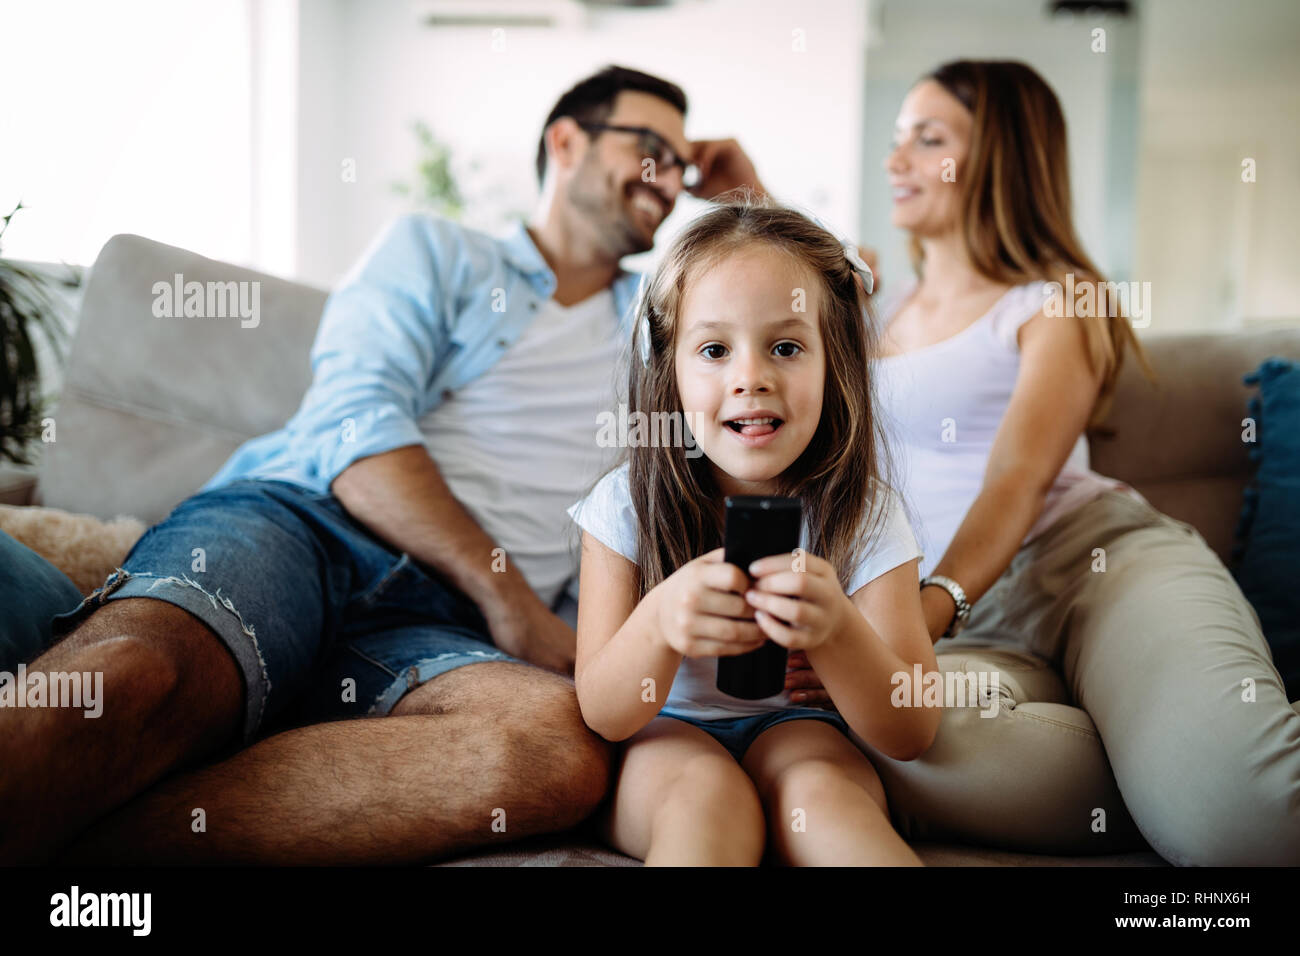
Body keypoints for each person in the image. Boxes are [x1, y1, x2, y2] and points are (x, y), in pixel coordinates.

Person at [0, 65, 772, 864]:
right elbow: (353, 428)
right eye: (650, 149)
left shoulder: (661, 323)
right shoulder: (440, 251)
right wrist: (507, 595)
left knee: (550, 751)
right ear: (567, 141)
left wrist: (748, 199)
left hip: (444, 631)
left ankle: (78, 837)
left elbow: (819, 316)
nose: (670, 178)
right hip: (302, 529)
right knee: (136, 678)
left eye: (682, 164)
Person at [785, 59, 1300, 865]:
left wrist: (915, 617)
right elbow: (764, 273)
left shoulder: (1057, 301)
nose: (896, 162)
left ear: (998, 156)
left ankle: (1196, 770)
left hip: (1092, 565)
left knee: (1248, 824)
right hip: (975, 628)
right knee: (843, 732)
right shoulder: (867, 301)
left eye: (928, 140)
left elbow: (1016, 480)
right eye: (896, 141)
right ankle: (1157, 770)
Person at [567, 197, 939, 866]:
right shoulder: (624, 504)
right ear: (668, 368)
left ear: (836, 362)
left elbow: (911, 727)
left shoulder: (867, 510)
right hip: (667, 736)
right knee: (704, 796)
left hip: (801, 730)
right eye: (713, 349)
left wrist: (839, 632)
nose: (751, 378)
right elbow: (602, 709)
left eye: (787, 346)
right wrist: (658, 622)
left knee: (822, 793)